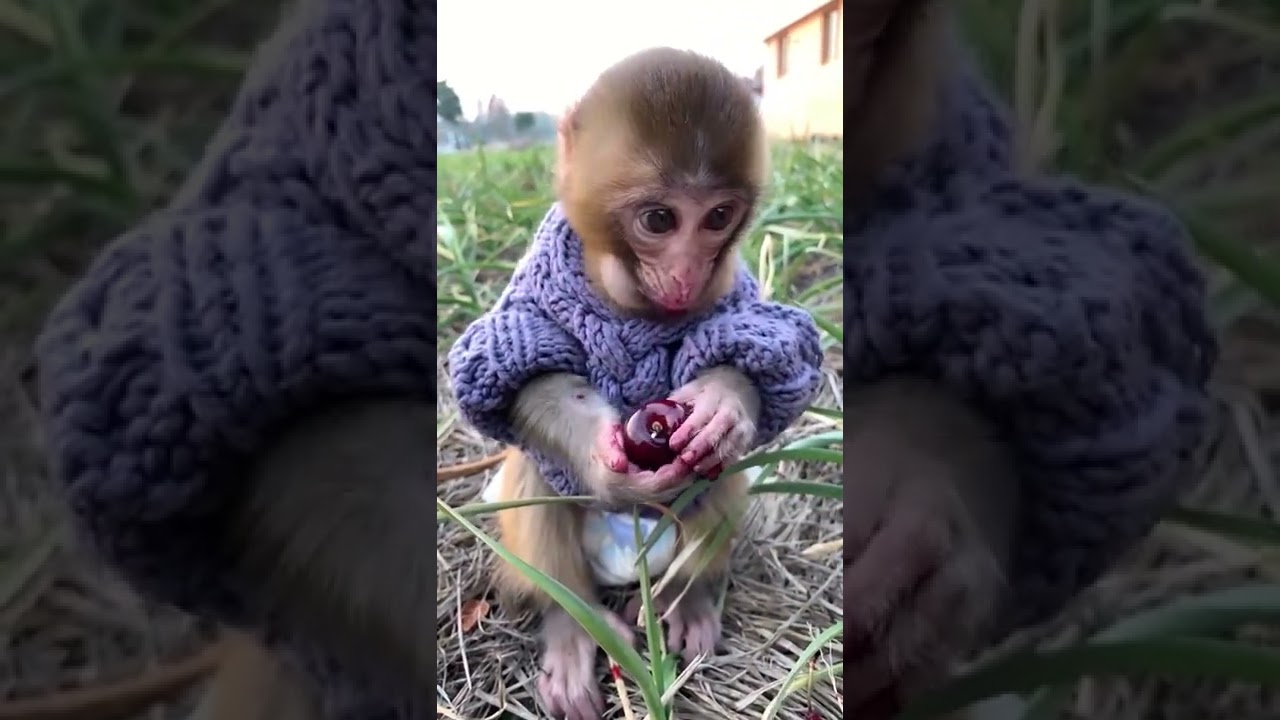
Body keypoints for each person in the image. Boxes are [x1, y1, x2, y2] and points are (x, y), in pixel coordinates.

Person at [29, 1, 1214, 718]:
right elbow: (185, 367)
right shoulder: (375, 93)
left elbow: (1033, 313)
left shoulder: (896, 111)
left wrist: (938, 466)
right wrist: (482, 592)